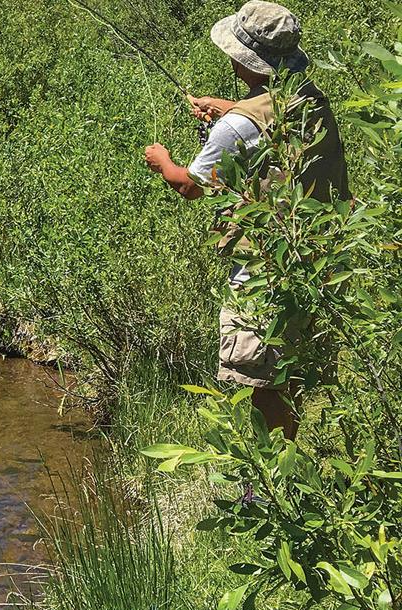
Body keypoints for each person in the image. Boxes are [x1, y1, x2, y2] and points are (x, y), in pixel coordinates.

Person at [141, 1, 349, 440]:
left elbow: (190, 186)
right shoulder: (309, 98)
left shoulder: (236, 127)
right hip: (315, 261)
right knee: (289, 370)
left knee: (257, 380)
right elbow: (270, 115)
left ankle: (273, 478)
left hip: (263, 271)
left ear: (244, 59)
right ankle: (292, 466)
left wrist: (162, 161)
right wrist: (232, 109)